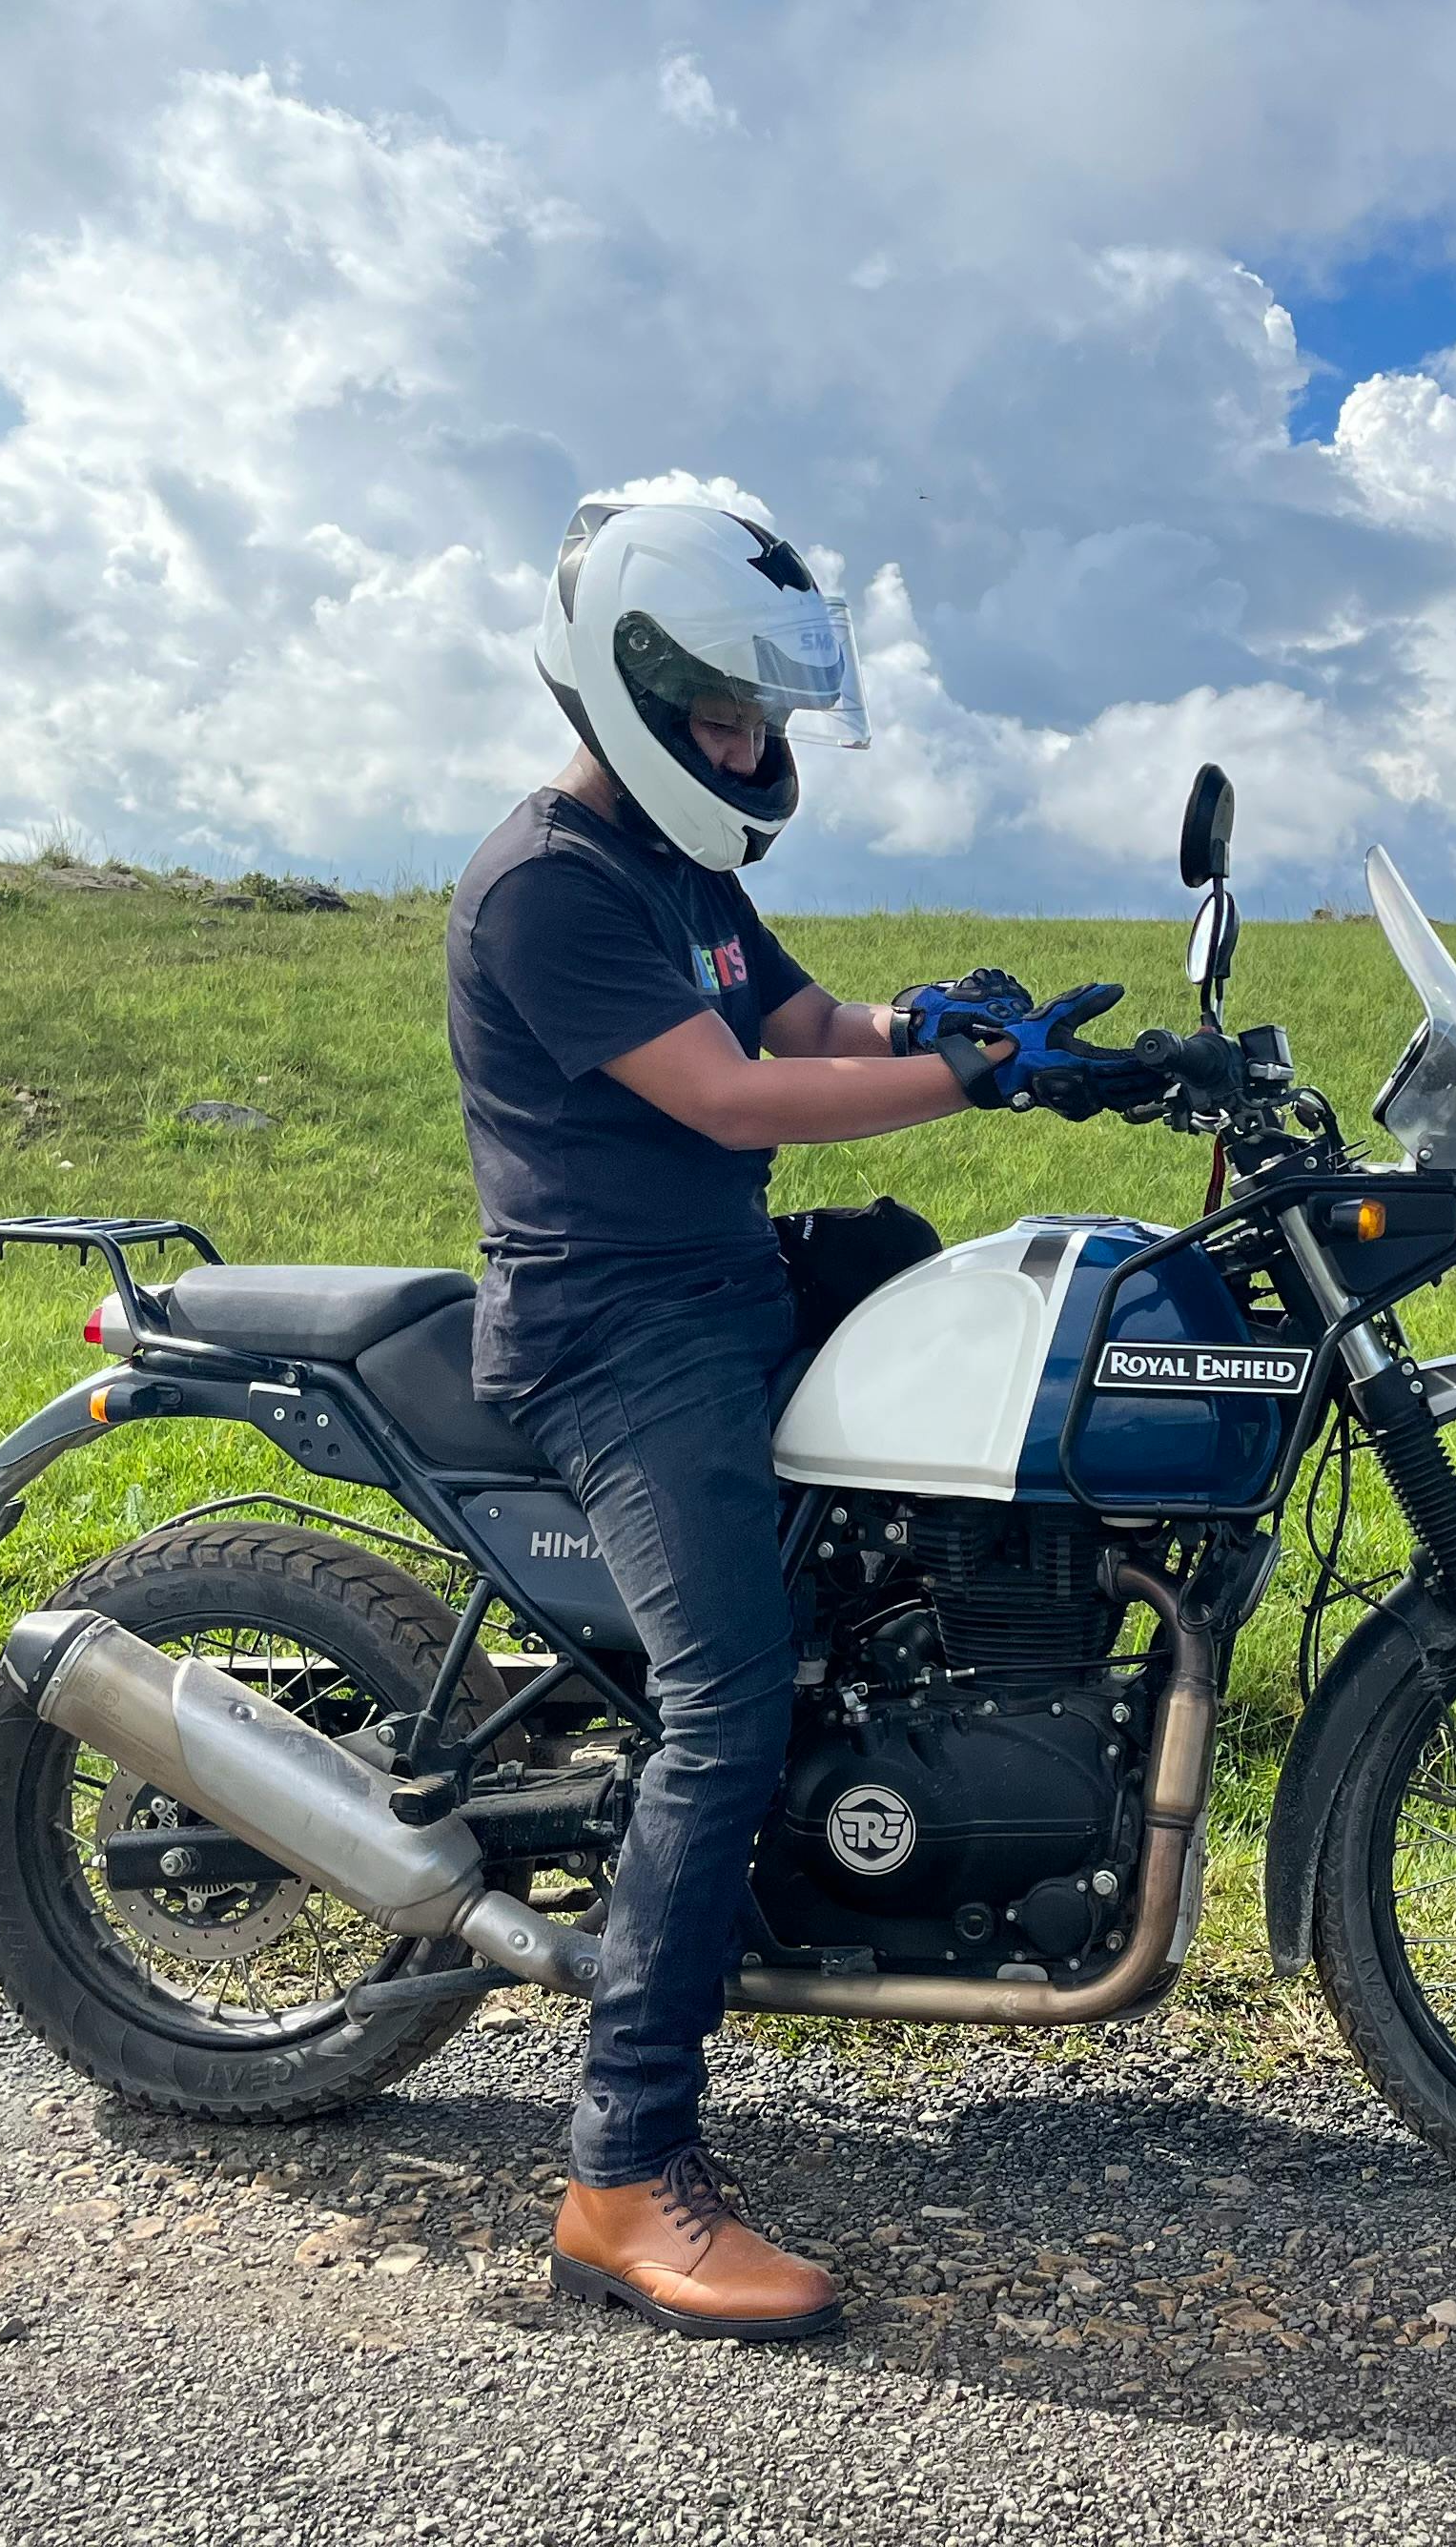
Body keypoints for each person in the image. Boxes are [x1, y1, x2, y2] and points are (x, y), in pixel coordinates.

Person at [444, 493, 1154, 2343]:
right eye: (730, 713)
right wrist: (961, 1086)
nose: (757, 747)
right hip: (620, 1337)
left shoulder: (679, 873)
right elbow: (738, 1096)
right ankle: (619, 2179)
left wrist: (979, 1030)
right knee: (724, 1708)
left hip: (723, 1290)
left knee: (973, 1313)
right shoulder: (551, 884)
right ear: (641, 687)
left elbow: (805, 1008)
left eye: (769, 717)